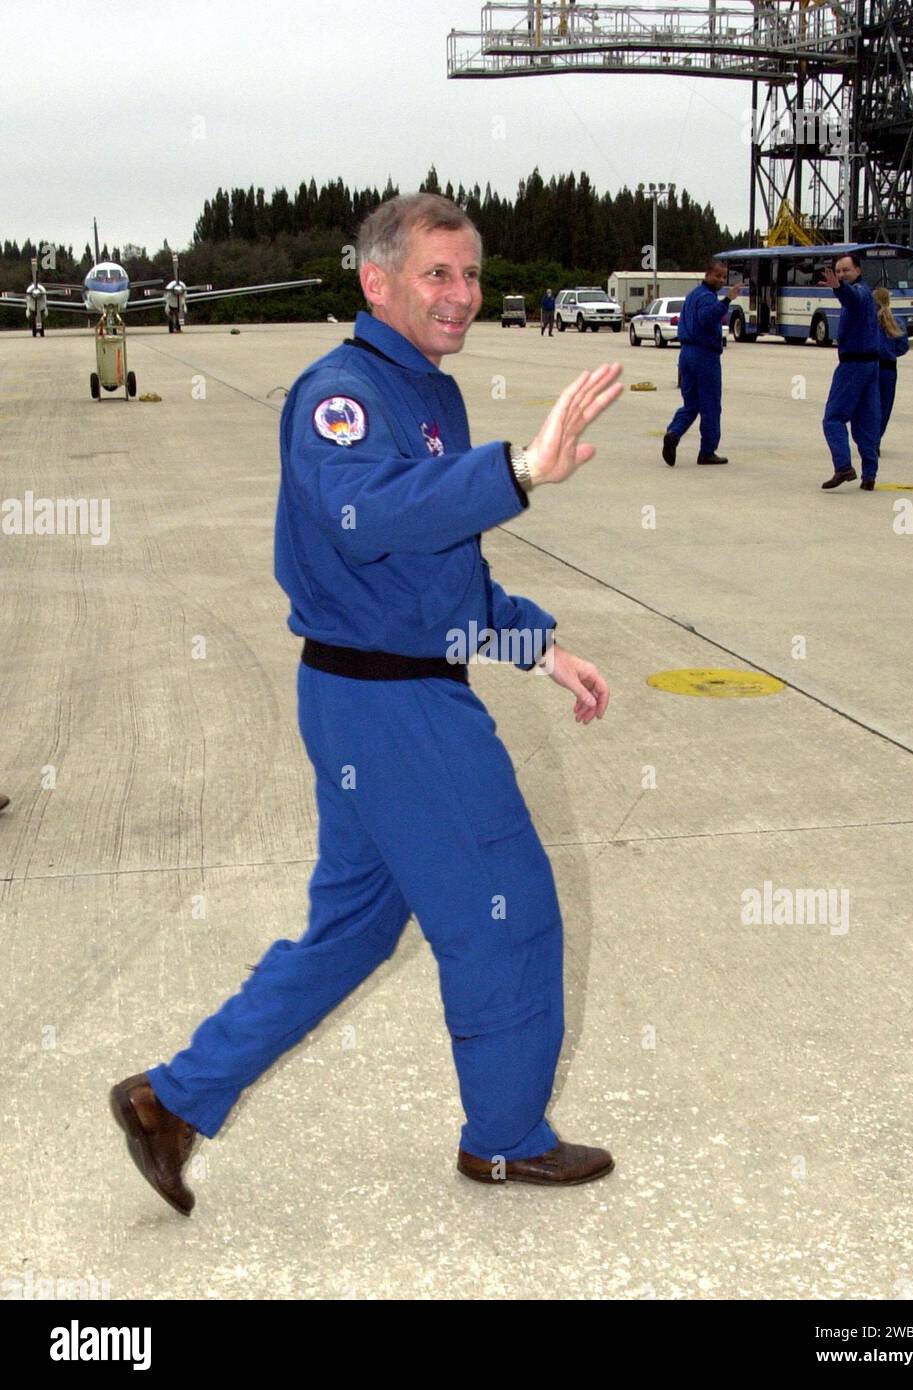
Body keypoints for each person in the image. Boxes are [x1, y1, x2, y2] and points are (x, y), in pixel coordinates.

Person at [110, 193, 624, 1215]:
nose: (463, 295)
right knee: (508, 910)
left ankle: (170, 1098)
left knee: (349, 930)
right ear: (376, 280)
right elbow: (369, 518)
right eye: (438, 273)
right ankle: (505, 1137)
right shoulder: (340, 393)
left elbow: (435, 572)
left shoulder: (426, 394)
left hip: (371, 693)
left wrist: (535, 644)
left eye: (471, 274)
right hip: (393, 709)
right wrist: (521, 470)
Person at [661, 259, 741, 467]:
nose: (721, 280)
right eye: (718, 276)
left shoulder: (693, 295)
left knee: (692, 403)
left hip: (686, 354)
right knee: (711, 405)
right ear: (707, 275)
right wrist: (726, 301)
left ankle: (673, 433)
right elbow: (706, 318)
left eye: (724, 276)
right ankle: (707, 451)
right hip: (704, 356)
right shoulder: (707, 298)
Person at [819, 254, 881, 491]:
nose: (842, 274)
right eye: (838, 271)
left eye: (846, 270)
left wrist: (839, 288)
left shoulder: (859, 293)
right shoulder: (865, 294)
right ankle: (869, 475)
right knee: (865, 420)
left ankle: (843, 466)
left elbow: (852, 298)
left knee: (833, 418)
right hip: (870, 365)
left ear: (858, 270)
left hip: (853, 365)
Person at [873, 285, 909, 441]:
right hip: (889, 369)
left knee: (870, 405)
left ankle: (869, 437)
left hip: (872, 366)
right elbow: (903, 346)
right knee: (885, 406)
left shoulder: (869, 321)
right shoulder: (896, 322)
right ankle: (877, 437)